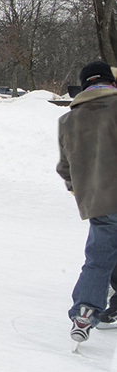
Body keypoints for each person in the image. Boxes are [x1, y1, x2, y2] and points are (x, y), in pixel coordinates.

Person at [56, 60, 117, 344]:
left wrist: (78, 189)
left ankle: (85, 309)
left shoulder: (68, 120)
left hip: (99, 201)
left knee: (100, 257)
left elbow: (65, 167)